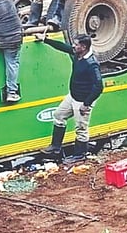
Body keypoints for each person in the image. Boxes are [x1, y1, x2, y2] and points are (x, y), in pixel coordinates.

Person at [38, 33, 103, 164]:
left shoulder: (91, 64)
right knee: (58, 115)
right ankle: (55, 147)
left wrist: (86, 104)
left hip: (82, 101)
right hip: (73, 96)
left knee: (81, 128)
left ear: (83, 47)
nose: (73, 46)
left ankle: (80, 155)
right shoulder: (77, 53)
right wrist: (45, 40)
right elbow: (64, 47)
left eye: (76, 44)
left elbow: (99, 86)